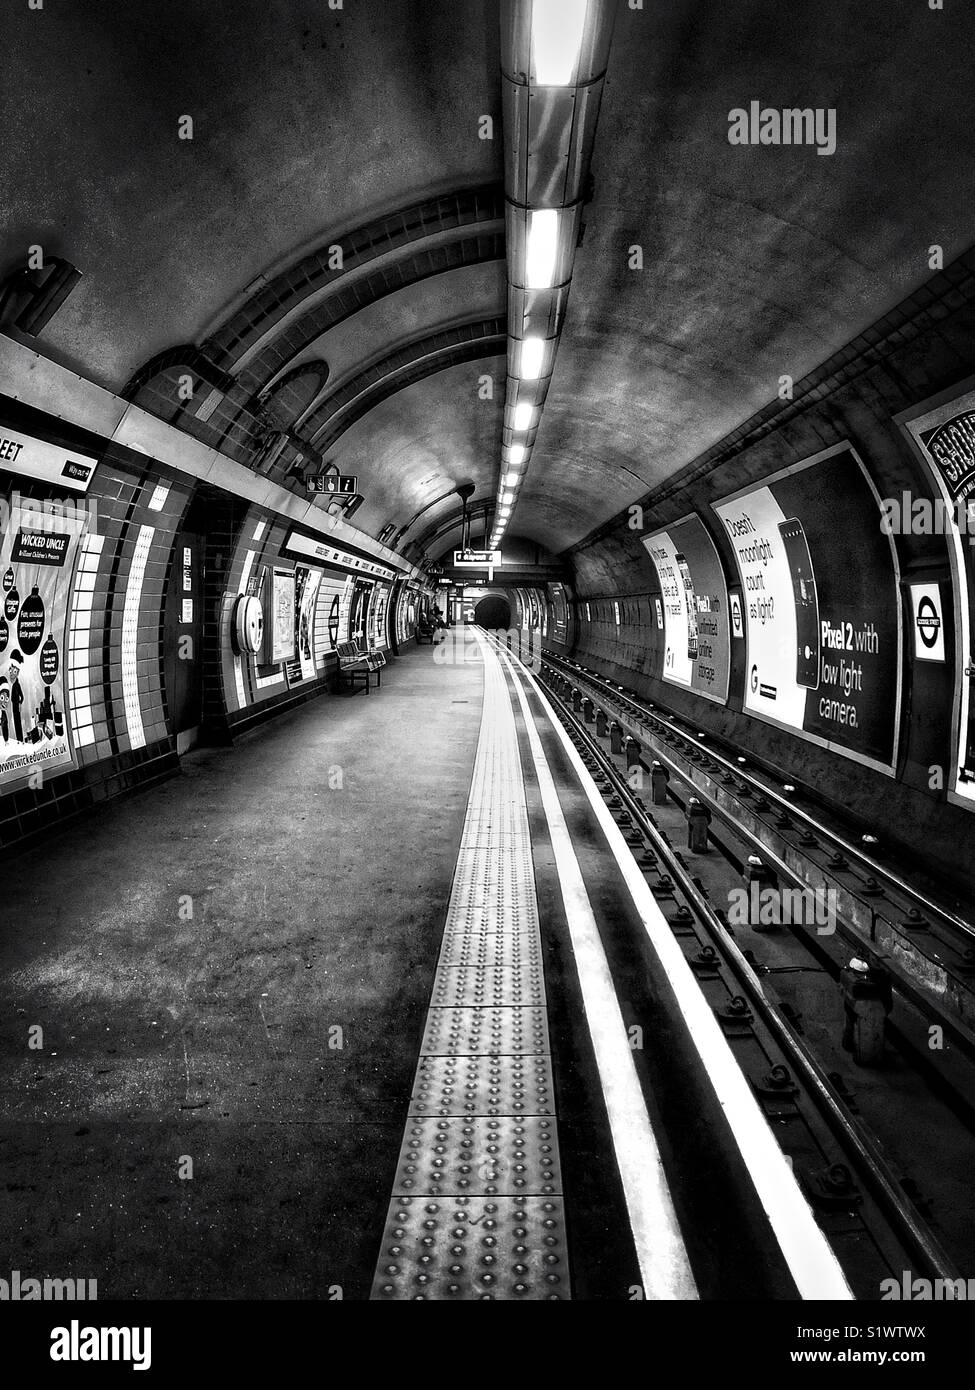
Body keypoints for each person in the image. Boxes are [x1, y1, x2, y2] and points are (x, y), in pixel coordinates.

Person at [7, 650, 25, 743]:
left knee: (17, 723)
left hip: (16, 706)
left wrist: (19, 704)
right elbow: (22, 696)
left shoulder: (16, 685)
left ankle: (20, 739)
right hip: (15, 705)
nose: (11, 673)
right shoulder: (15, 685)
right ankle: (19, 739)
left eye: (13, 671)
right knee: (16, 722)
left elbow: (22, 696)